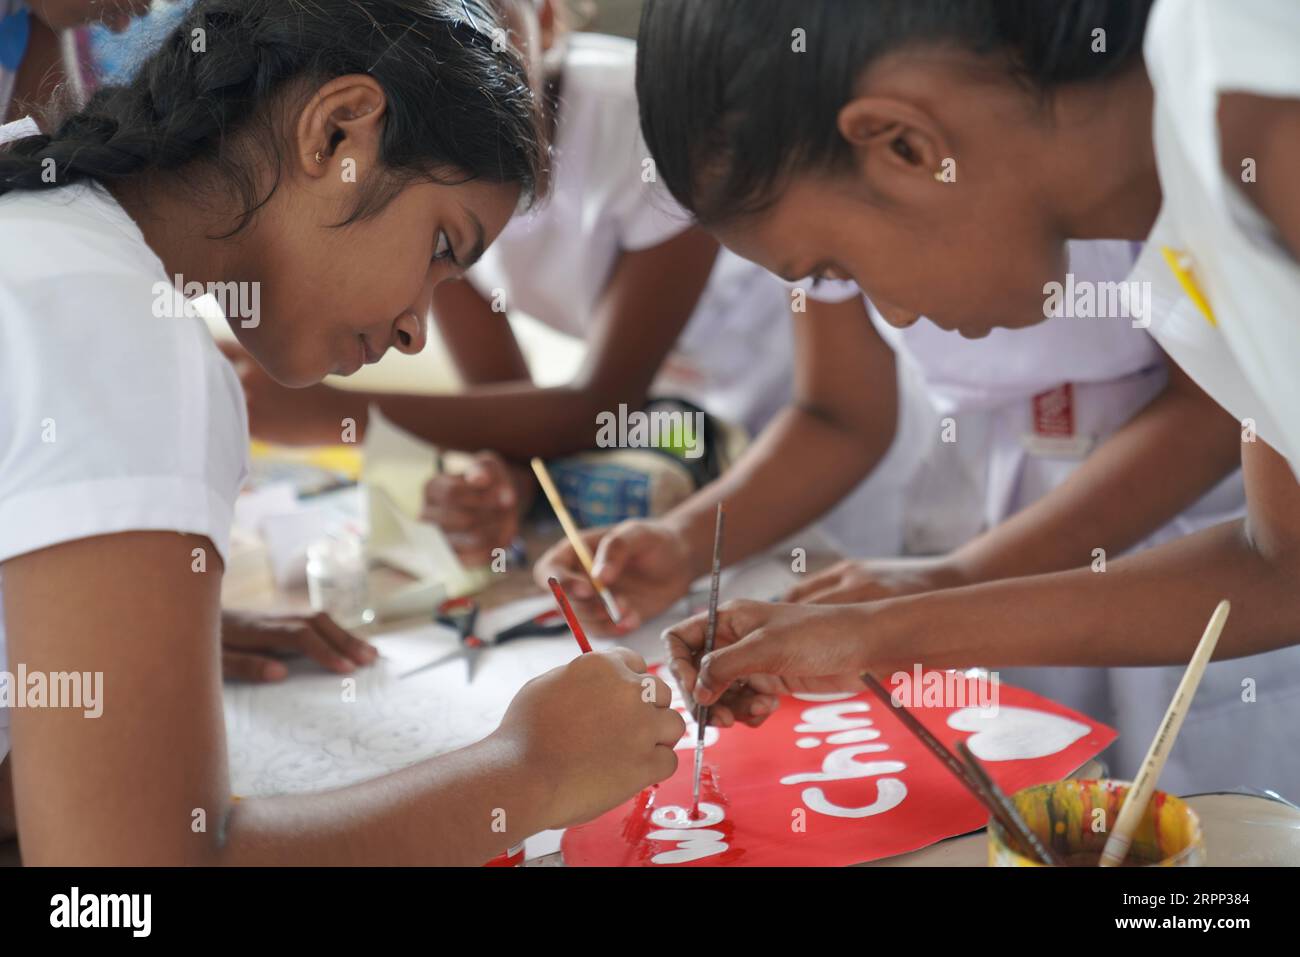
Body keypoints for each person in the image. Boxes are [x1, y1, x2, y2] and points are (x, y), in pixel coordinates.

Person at [0, 0, 681, 865]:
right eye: (442, 246)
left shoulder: (46, 241)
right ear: (336, 133)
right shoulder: (124, 335)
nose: (415, 332)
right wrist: (528, 771)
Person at [632, 0, 1300, 796]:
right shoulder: (1182, 229)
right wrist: (879, 630)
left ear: (906, 145)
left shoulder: (1247, 100)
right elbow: (1278, 563)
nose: (899, 318)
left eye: (838, 267)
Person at [224, 0, 797, 568]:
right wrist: (502, 488)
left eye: (483, 22)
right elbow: (503, 406)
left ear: (546, 18)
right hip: (677, 433)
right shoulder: (431, 173)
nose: (464, 55)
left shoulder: (647, 125)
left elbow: (599, 406)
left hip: (792, 422)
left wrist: (330, 414)